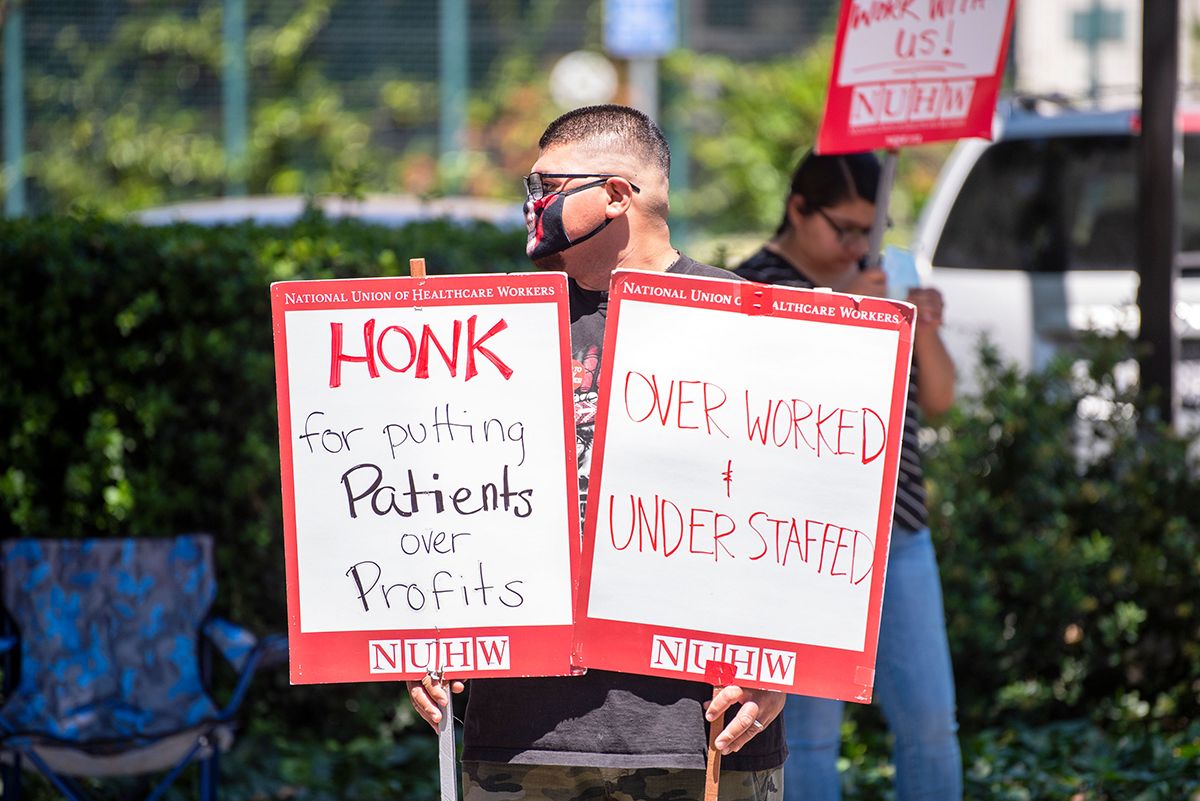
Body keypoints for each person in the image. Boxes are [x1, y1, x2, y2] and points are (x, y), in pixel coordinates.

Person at [406, 104, 787, 801]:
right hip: (520, 739)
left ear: (616, 194)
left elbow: (807, 512)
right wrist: (425, 632)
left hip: (697, 734)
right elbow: (444, 506)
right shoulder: (493, 333)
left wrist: (783, 666)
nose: (532, 206)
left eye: (545, 187)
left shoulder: (746, 318)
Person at [734, 151, 962, 801]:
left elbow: (940, 402)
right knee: (805, 737)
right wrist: (834, 319)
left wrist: (924, 327)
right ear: (799, 209)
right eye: (845, 228)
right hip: (801, 541)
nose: (860, 245)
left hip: (899, 528)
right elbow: (758, 415)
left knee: (930, 724)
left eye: (873, 228)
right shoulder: (754, 284)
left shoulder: (886, 275)